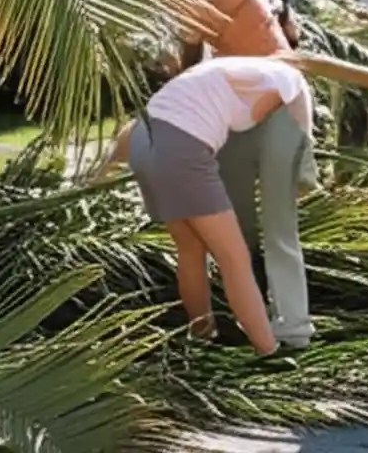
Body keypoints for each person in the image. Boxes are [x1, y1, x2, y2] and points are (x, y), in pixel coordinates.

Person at [97, 55, 314, 357]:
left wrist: (99, 173)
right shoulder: (288, 83)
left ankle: (201, 335)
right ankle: (268, 351)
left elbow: (137, 126)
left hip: (143, 145)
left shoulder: (214, 72)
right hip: (183, 150)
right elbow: (259, 116)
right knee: (233, 257)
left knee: (190, 250)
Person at [179, 0, 318, 350]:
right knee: (236, 224)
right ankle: (250, 318)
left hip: (279, 105)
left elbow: (284, 38)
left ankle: (294, 330)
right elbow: (195, 52)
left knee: (279, 222)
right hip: (236, 113)